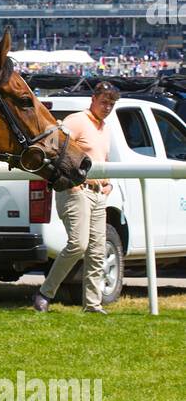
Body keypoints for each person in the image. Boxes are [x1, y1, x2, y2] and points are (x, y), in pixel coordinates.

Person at [33, 82, 120, 315]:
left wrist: (108, 182)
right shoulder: (77, 121)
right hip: (76, 191)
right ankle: (45, 293)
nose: (108, 107)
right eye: (104, 102)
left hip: (99, 193)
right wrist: (68, 180)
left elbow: (102, 158)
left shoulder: (105, 127)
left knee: (97, 250)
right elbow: (51, 140)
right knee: (78, 245)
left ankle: (93, 304)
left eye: (111, 104)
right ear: (93, 99)